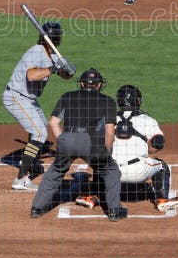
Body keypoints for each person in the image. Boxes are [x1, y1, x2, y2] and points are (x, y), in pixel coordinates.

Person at [30, 68, 128, 221]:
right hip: (92, 141)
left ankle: (37, 208)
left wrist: (63, 139)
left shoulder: (67, 97)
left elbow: (53, 122)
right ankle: (114, 210)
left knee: (55, 171)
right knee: (111, 171)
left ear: (82, 84)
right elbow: (110, 132)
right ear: (100, 84)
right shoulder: (107, 101)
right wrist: (106, 152)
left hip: (68, 139)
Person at [76, 84, 178, 213]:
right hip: (139, 171)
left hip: (112, 172)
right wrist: (148, 149)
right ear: (138, 101)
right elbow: (158, 142)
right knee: (162, 165)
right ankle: (161, 199)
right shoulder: (148, 120)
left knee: (101, 161)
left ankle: (93, 197)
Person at [2, 21, 75, 191]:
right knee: (40, 133)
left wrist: (68, 70)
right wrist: (53, 69)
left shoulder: (53, 54)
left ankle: (31, 162)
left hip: (28, 98)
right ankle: (20, 179)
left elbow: (65, 75)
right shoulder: (36, 52)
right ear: (57, 38)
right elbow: (32, 75)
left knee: (40, 128)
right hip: (16, 97)